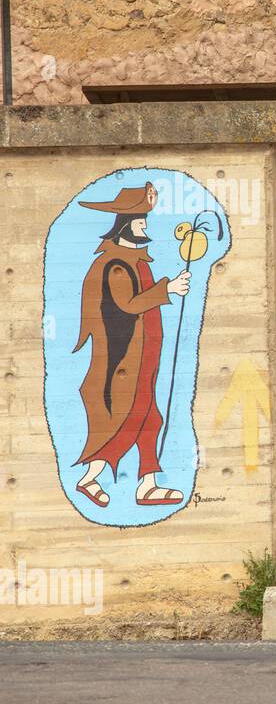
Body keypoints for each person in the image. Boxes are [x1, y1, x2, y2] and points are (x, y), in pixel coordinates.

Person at [73, 183, 190, 508]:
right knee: (128, 421)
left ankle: (147, 485)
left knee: (150, 419)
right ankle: (90, 478)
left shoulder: (136, 261)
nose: (145, 229)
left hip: (142, 361)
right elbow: (127, 303)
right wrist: (169, 290)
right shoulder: (115, 264)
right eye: (140, 224)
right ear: (125, 227)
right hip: (124, 363)